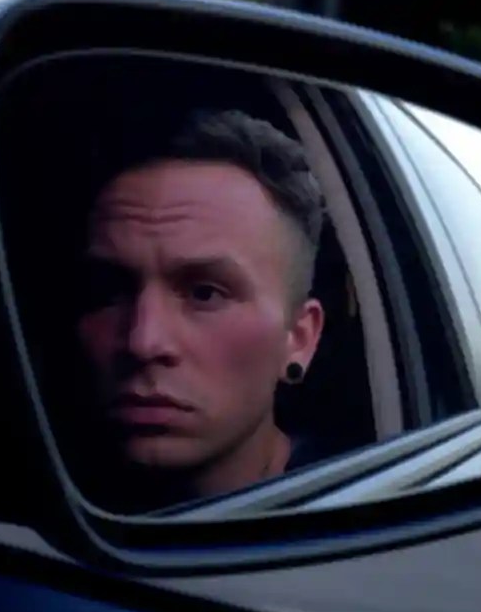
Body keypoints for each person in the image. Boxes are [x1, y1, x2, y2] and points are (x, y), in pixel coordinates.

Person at [74, 108, 327, 511]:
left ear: (298, 339)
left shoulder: (347, 505)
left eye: (205, 294)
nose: (143, 341)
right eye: (111, 291)